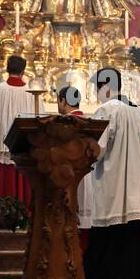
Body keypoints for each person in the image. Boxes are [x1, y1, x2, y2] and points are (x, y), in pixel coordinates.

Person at [84, 67, 140, 279]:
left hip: (116, 185)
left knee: (106, 236)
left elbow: (96, 149)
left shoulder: (107, 110)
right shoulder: (138, 112)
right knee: (139, 240)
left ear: (104, 86)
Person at [0, 55, 33, 205]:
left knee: (5, 180)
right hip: (24, 145)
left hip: (3, 143)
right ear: (23, 71)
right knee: (22, 179)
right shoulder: (32, 92)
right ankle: (23, 214)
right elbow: (37, 118)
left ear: (7, 69)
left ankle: (3, 214)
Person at [56, 85, 94, 249]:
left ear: (63, 101)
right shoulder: (91, 122)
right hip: (89, 177)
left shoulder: (62, 123)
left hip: (69, 177)